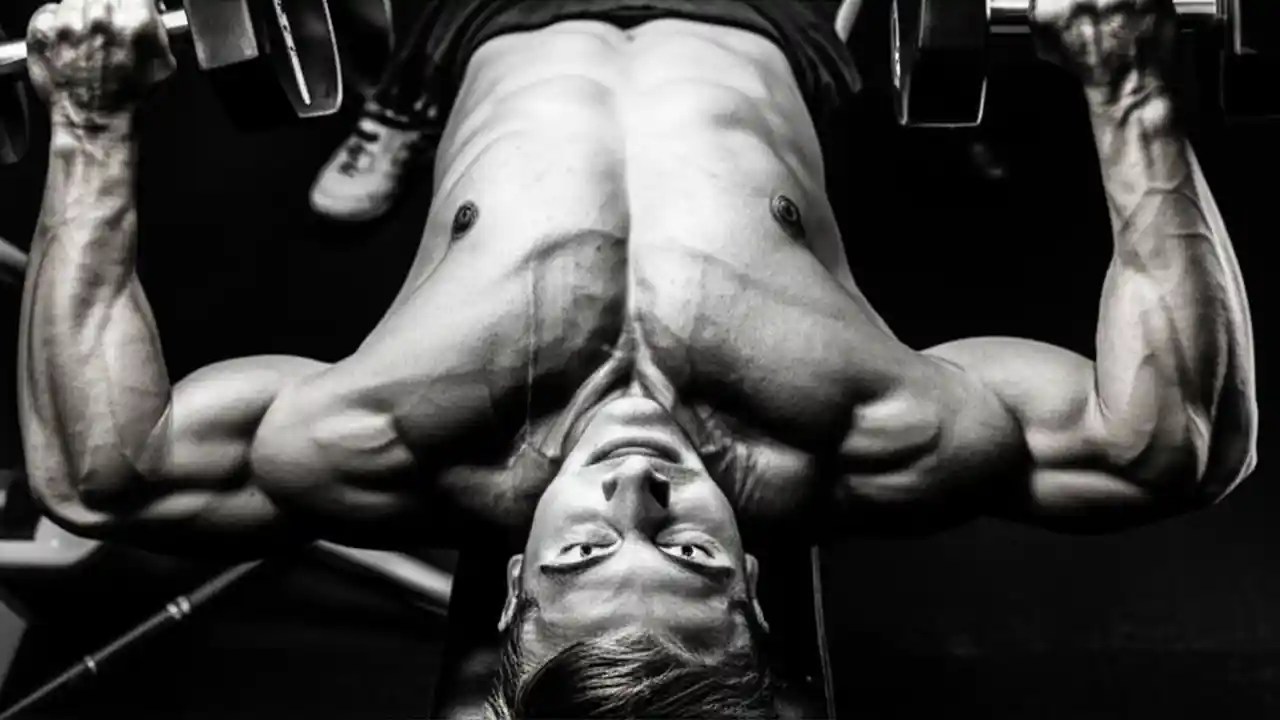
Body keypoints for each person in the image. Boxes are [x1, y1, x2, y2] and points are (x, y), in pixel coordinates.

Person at [17, 0, 1257, 716]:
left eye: (579, 552)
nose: (634, 493)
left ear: (511, 589)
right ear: (755, 595)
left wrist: (88, 115)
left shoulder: (383, 443)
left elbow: (96, 471)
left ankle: (399, 102)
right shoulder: (868, 440)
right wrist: (1129, 93)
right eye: (689, 550)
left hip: (484, 17)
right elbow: (1172, 446)